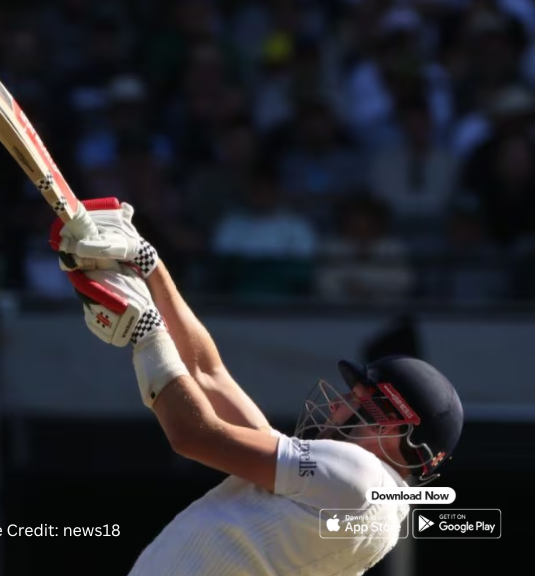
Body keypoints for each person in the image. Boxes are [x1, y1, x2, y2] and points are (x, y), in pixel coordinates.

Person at [49, 199, 464, 575]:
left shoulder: (361, 478)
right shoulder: (365, 500)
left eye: (356, 397)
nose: (338, 404)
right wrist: (150, 265)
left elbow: (194, 435)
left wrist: (147, 334)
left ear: (393, 424)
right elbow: (208, 373)